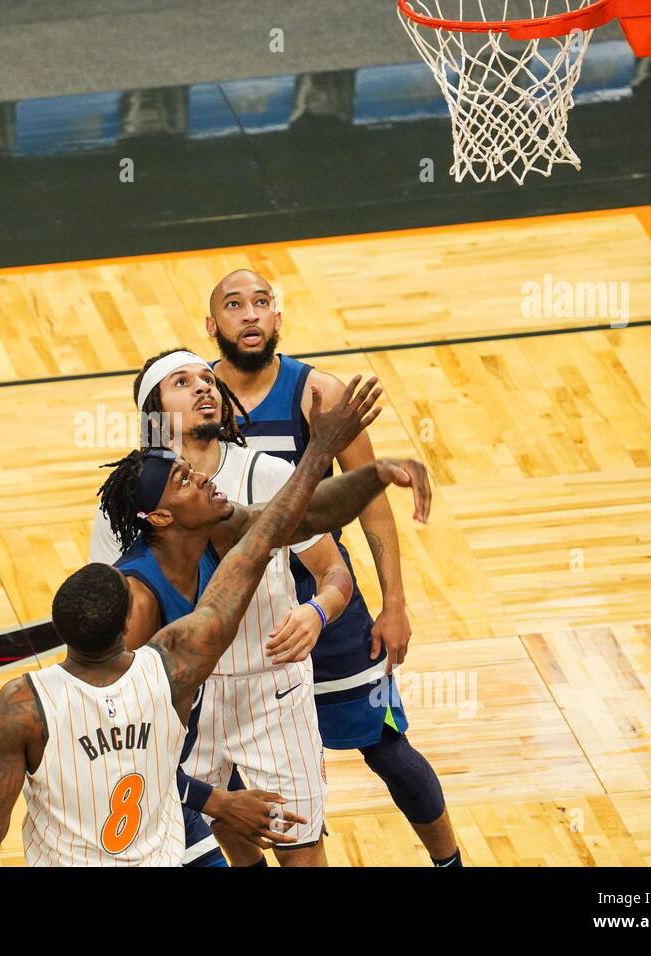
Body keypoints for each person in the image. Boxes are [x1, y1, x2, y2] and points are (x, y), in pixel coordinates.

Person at [0, 379, 420, 864]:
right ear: (160, 517)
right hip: (155, 784)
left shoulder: (214, 531)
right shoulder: (150, 619)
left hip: (166, 760)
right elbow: (134, 756)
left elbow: (296, 519)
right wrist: (216, 800)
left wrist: (374, 476)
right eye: (183, 479)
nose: (201, 477)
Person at [207, 268, 463, 866]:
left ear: (278, 318)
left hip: (326, 593)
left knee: (387, 747)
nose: (249, 315)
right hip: (238, 613)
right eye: (234, 305)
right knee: (236, 769)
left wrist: (395, 604)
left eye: (261, 303)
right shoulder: (193, 396)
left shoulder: (318, 394)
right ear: (212, 323)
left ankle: (451, 863)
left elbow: (370, 500)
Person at [91, 349, 359, 866]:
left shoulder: (266, 472)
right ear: (154, 412)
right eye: (182, 382)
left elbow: (336, 573)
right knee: (214, 829)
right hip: (186, 698)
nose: (203, 388)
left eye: (207, 379)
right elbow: (114, 627)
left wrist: (317, 612)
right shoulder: (125, 499)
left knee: (298, 841)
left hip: (272, 687)